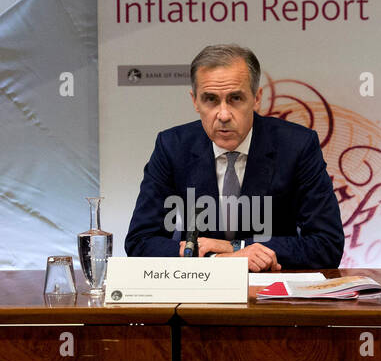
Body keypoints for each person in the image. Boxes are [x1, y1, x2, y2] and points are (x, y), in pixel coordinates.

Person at [125, 44, 344, 272]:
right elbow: (140, 241)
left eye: (235, 98)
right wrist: (216, 259)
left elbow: (327, 245)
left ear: (256, 98)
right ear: (194, 101)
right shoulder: (172, 146)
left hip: (272, 294)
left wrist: (235, 248)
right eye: (210, 99)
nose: (223, 115)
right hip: (200, 292)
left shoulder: (297, 146)